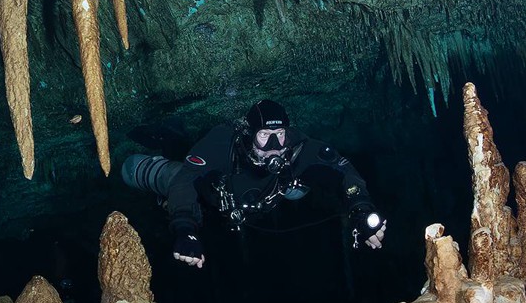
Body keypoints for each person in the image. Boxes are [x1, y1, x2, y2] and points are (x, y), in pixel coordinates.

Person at [122, 100, 386, 268]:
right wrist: (184, 228)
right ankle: (164, 142)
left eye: (279, 135)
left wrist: (360, 208)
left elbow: (343, 170)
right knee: (176, 175)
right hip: (209, 196)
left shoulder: (296, 146)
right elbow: (187, 180)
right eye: (264, 136)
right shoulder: (222, 143)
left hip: (256, 204)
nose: (274, 147)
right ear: (249, 135)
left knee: (298, 189)